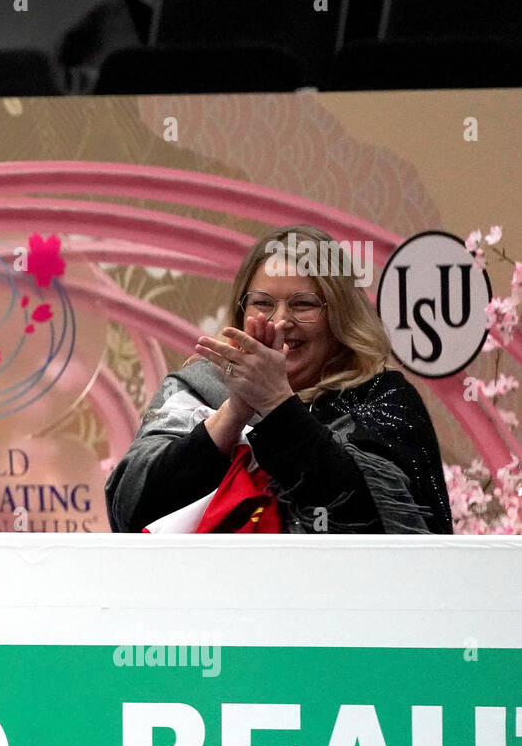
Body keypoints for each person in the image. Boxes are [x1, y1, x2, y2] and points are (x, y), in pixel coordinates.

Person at [105, 224, 452, 534]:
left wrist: (276, 406)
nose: (281, 321)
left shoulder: (381, 397)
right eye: (262, 303)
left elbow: (380, 525)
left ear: (339, 316)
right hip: (207, 601)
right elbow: (130, 513)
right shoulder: (196, 391)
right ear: (241, 314)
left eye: (303, 304)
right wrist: (233, 412)